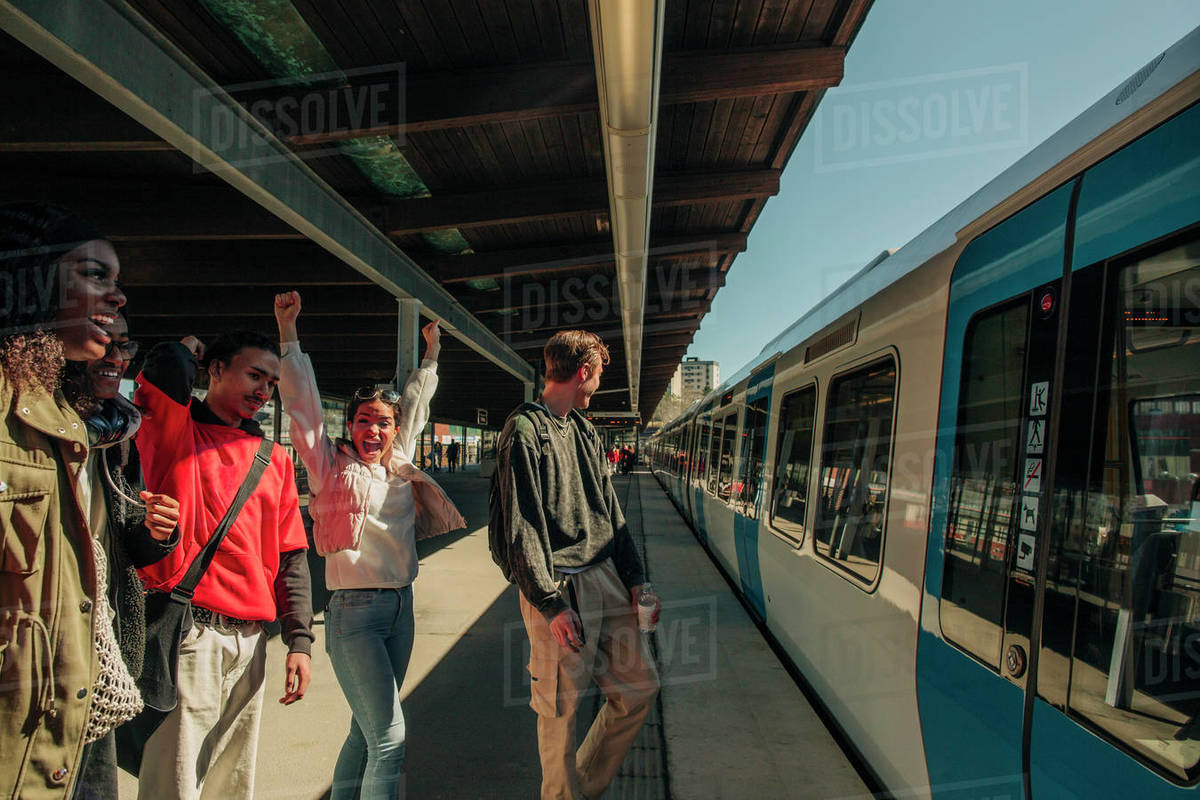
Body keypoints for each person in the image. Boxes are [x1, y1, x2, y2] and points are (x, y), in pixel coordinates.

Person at [274, 291, 464, 799]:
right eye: (363, 421)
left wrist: (431, 356)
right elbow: (304, 409)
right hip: (353, 613)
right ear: (349, 426)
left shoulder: (399, 463)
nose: (373, 430)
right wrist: (289, 335)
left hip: (402, 608)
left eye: (383, 422)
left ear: (395, 429)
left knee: (365, 733)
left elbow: (418, 402)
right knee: (390, 740)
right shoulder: (328, 467)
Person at [132, 329, 314, 800]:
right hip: (191, 635)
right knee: (172, 785)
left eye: (271, 382)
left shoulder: (274, 461)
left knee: (231, 787)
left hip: (251, 644)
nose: (264, 390)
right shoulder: (176, 434)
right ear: (214, 369)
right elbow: (162, 371)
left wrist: (300, 641)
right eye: (254, 375)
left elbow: (292, 556)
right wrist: (185, 349)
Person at [496, 329, 661, 800]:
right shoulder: (525, 430)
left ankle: (581, 788)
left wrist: (635, 580)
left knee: (639, 688)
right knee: (560, 714)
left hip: (606, 576)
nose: (597, 388)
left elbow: (610, 510)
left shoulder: (584, 430)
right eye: (597, 377)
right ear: (583, 372)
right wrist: (549, 604)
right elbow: (520, 525)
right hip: (561, 588)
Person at [0, 202, 128, 798]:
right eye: (94, 275)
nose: (117, 297)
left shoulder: (56, 413)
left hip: (62, 715)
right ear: (28, 281)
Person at [61, 314, 181, 800]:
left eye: (125, 347)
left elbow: (126, 538)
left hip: (99, 653)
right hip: (39, 654)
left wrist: (158, 533)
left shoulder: (112, 436)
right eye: (103, 345)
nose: (117, 358)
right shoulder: (24, 435)